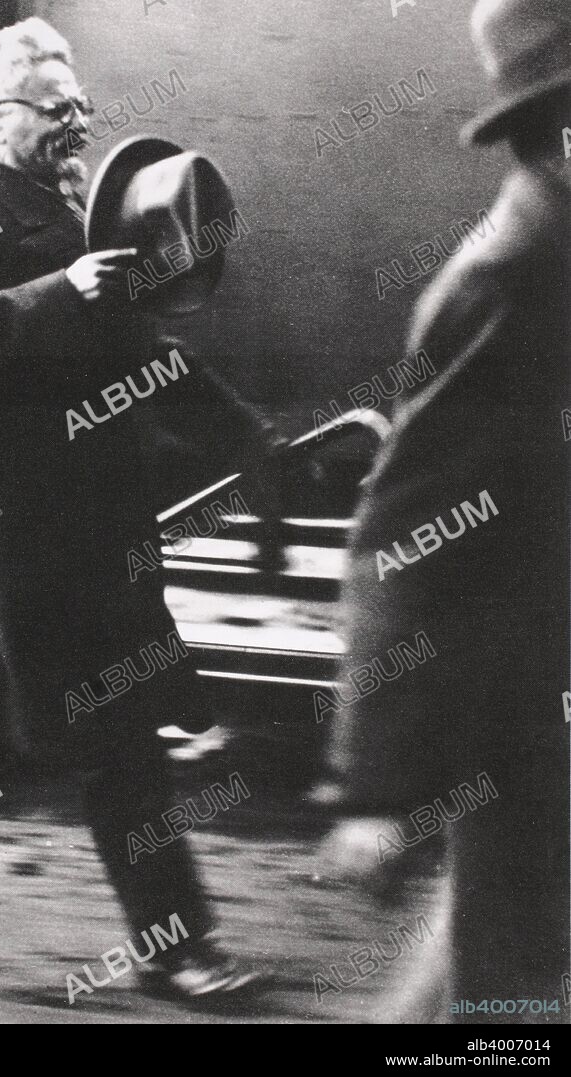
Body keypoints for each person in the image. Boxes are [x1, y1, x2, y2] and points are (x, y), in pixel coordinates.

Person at [0, 17, 282, 1001]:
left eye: (82, 107)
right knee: (119, 745)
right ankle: (175, 947)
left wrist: (244, 436)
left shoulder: (74, 223)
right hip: (36, 546)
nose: (78, 123)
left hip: (95, 541)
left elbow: (145, 354)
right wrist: (60, 293)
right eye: (57, 109)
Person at [312, 0, 570, 1021]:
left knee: (499, 953)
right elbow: (400, 535)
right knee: (509, 978)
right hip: (517, 701)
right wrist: (374, 788)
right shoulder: (509, 279)